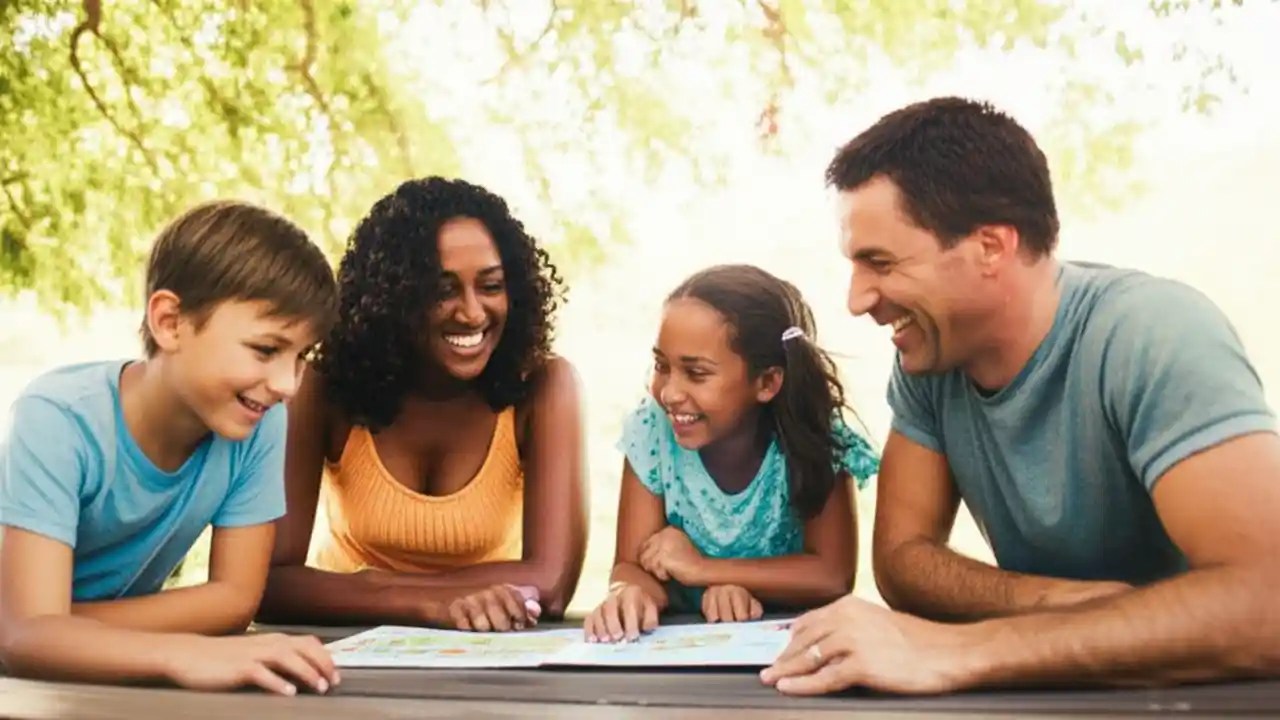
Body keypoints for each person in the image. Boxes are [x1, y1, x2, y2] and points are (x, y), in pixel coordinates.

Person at [760, 96, 1280, 695]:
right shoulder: (931, 358)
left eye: (879, 262)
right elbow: (903, 559)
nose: (856, 300)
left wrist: (957, 651)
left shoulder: (1153, 333)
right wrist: (1057, 600)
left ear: (990, 248)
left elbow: (1265, 605)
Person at [0, 201, 341, 695]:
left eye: (301, 356)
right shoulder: (59, 419)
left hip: (82, 672)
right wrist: (183, 650)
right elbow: (28, 639)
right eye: (266, 350)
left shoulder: (257, 421)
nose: (288, 384)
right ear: (169, 321)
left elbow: (235, 599)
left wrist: (57, 625)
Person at [257, 177, 588, 632]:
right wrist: (425, 606)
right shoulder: (324, 387)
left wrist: (376, 590)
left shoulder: (544, 387)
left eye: (490, 286)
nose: (472, 313)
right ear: (392, 297)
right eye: (443, 290)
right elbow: (269, 582)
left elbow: (549, 583)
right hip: (346, 643)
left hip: (489, 640)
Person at [584, 264, 879, 643]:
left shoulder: (816, 440)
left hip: (785, 650)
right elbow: (631, 564)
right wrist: (628, 594)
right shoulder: (653, 432)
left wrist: (706, 570)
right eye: (662, 366)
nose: (669, 392)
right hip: (681, 651)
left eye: (696, 373)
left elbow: (832, 575)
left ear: (767, 382)